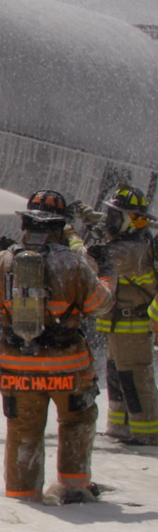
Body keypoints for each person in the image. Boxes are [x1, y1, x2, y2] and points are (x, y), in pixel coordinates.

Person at [0, 189, 113, 502]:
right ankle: (73, 489)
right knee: (77, 422)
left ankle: (22, 495)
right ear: (58, 227)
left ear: (26, 223)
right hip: (68, 369)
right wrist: (107, 274)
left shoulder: (3, 260)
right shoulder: (73, 264)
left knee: (23, 430)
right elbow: (100, 305)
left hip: (18, 370)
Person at [88, 186, 158, 446]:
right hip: (120, 328)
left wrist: (71, 235)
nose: (109, 221)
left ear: (131, 220)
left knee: (135, 380)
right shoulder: (129, 244)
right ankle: (120, 429)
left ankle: (147, 433)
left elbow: (88, 264)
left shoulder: (131, 251)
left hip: (132, 328)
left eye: (115, 217)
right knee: (118, 379)